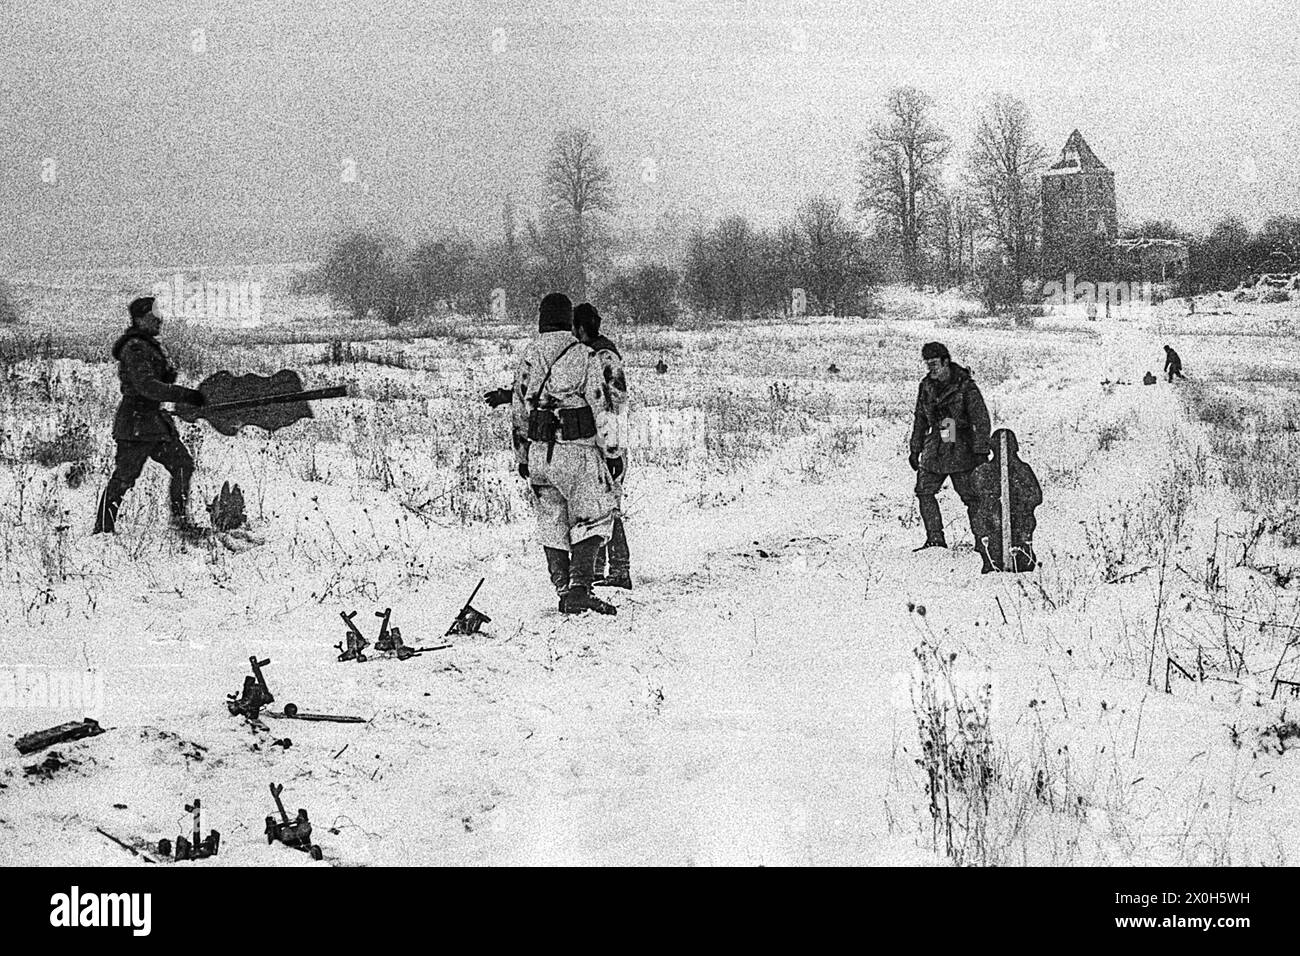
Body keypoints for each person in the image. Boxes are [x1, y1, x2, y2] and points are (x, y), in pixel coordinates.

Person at [511, 293, 622, 615]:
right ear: (568, 319)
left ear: (541, 319)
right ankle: (579, 589)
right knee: (594, 516)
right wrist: (612, 451)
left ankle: (561, 589)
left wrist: (522, 456)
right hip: (577, 452)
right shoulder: (584, 355)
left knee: (551, 522)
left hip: (539, 451)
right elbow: (602, 405)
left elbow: (519, 411)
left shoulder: (528, 356)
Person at [93, 296, 207, 534]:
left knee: (182, 464)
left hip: (153, 423)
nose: (159, 319)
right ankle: (103, 530)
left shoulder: (148, 345)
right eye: (153, 315)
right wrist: (185, 395)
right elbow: (148, 387)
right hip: (136, 423)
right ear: (139, 319)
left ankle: (179, 521)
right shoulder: (135, 348)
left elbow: (158, 382)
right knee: (124, 477)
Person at [908, 341, 992, 551]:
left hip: (960, 449)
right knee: (924, 491)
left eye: (935, 363)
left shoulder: (965, 386)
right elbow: (920, 419)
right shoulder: (926, 386)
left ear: (946, 362)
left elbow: (981, 420)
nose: (931, 369)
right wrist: (915, 448)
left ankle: (983, 543)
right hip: (935, 447)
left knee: (971, 497)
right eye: (928, 364)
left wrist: (981, 452)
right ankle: (935, 539)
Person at [572, 303, 631, 590]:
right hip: (600, 441)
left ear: (580, 328)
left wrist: (614, 450)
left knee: (609, 508)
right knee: (599, 507)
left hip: (607, 442)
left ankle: (619, 569)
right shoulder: (599, 354)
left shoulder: (602, 356)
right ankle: (599, 569)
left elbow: (617, 403)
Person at [969, 428, 1042, 573]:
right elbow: (974, 496)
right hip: (991, 524)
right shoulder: (982, 471)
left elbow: (1036, 497)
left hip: (1020, 522)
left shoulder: (1022, 470)